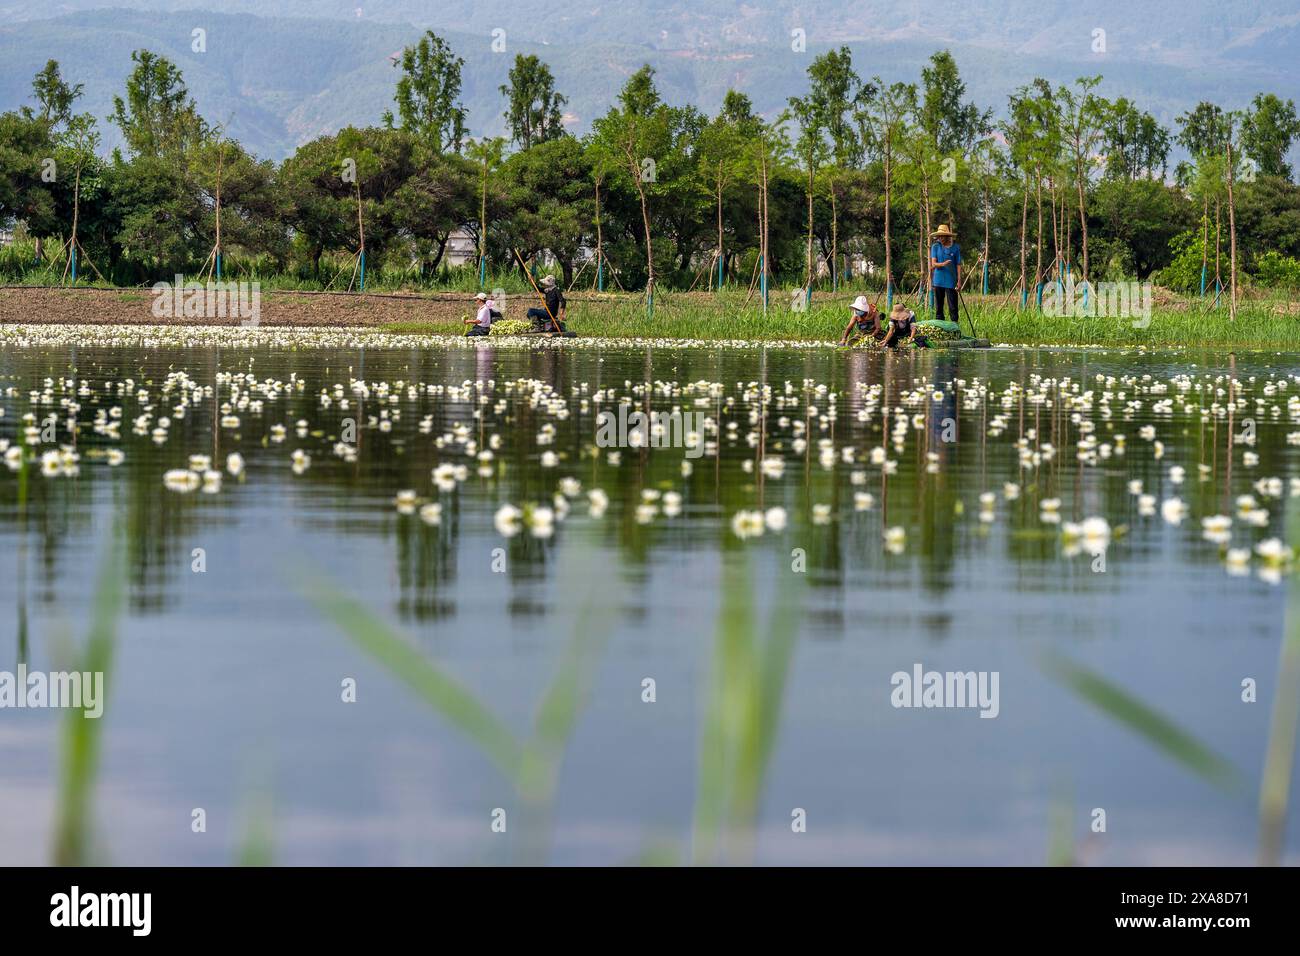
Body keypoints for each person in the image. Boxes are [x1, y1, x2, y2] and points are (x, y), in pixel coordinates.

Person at [930, 224, 961, 325]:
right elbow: (933, 264)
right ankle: (940, 327)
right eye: (939, 236)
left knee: (953, 306)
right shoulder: (935, 247)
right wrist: (943, 264)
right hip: (938, 280)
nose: (941, 238)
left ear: (948, 236)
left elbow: (958, 264)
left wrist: (959, 280)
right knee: (939, 306)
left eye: (943, 236)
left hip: (951, 280)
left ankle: (955, 328)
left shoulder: (955, 248)